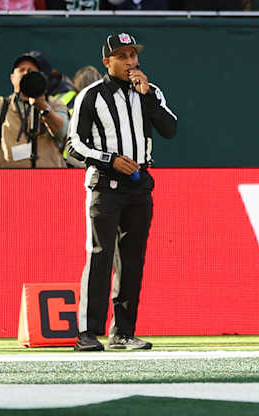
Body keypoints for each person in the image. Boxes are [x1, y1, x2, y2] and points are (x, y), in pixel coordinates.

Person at [69, 33, 178, 352]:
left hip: (140, 185)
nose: (132, 62)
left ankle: (123, 332)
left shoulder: (151, 91)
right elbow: (73, 145)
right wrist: (110, 160)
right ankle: (88, 332)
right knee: (100, 256)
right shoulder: (91, 95)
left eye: (134, 55)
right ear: (108, 61)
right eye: (124, 56)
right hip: (104, 184)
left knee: (132, 260)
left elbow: (170, 129)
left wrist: (148, 99)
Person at [0, 52, 69, 168]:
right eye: (21, 70)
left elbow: (64, 132)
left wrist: (43, 107)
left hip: (51, 180)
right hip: (11, 181)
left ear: (40, 77)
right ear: (12, 78)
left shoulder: (55, 104)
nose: (26, 73)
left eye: (31, 71)